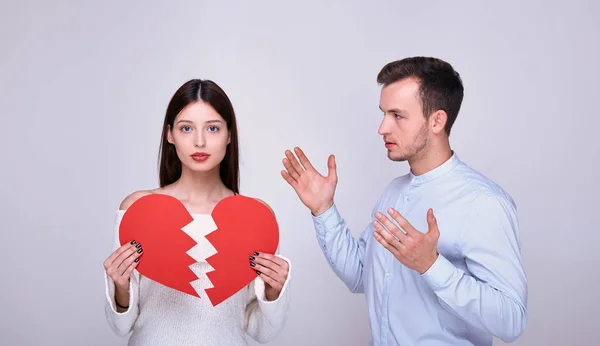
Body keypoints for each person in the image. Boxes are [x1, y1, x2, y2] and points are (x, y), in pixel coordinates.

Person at [281, 57, 527, 345]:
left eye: (397, 115)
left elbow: (512, 320)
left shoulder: (484, 203)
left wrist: (431, 265)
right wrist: (323, 210)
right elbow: (362, 275)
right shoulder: (393, 193)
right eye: (384, 113)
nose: (382, 128)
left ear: (437, 120)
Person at [103, 79, 292, 346]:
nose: (199, 141)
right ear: (170, 134)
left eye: (212, 128)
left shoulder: (255, 216)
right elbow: (122, 326)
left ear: (229, 135)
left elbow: (262, 332)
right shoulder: (138, 209)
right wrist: (121, 289)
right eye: (186, 128)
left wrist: (273, 292)